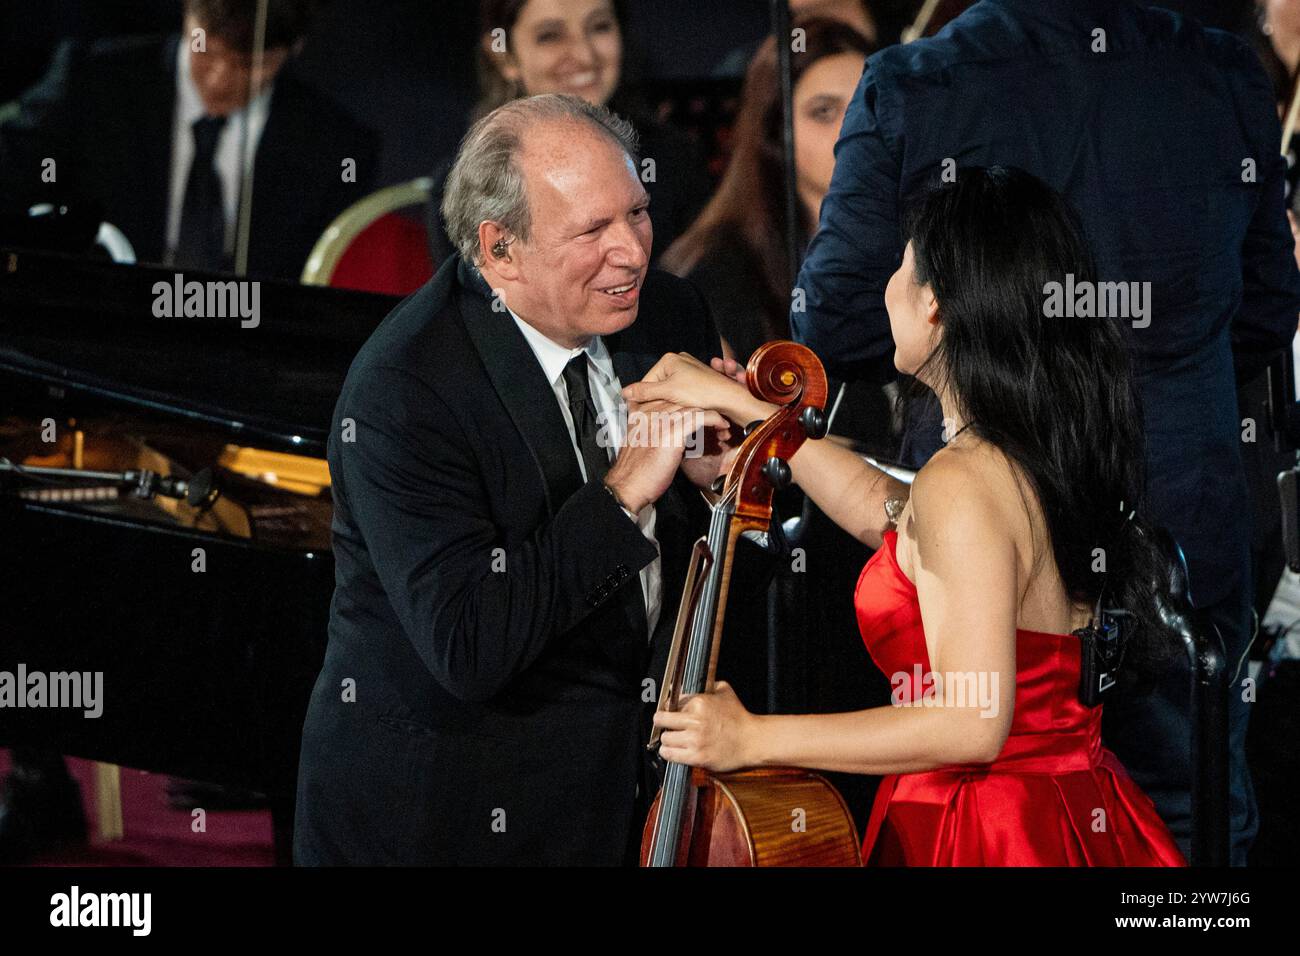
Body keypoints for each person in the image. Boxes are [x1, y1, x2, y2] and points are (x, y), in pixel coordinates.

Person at [788, 0, 1300, 866]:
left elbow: (835, 322)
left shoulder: (918, 83)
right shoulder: (1221, 72)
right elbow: (1263, 315)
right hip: (1182, 529)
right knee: (1189, 832)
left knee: (985, 811)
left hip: (984, 542)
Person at [627, 166, 1186, 866]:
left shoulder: (965, 479)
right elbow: (886, 512)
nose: (887, 285)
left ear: (936, 308)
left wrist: (753, 738)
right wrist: (756, 411)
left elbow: (972, 723)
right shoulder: (1021, 451)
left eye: (902, 265)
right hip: (1065, 808)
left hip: (985, 827)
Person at [294, 93, 728, 866]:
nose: (631, 251)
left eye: (636, 212)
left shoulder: (668, 315)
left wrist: (718, 486)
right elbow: (471, 644)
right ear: (499, 251)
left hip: (617, 798)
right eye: (592, 230)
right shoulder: (406, 388)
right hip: (452, 817)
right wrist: (624, 492)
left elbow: (700, 588)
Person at [0, 0, 377, 279]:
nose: (219, 80)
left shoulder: (337, 146)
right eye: (206, 50)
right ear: (186, 15)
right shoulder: (90, 85)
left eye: (251, 66)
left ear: (294, 48)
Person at [425, 0, 711, 267]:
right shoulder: (465, 185)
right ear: (503, 56)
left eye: (599, 27)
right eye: (550, 36)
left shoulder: (676, 161)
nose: (585, 55)